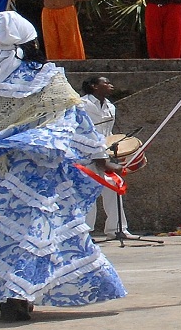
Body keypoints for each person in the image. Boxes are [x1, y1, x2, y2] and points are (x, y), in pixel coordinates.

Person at [0, 12, 127, 321]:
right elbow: (75, 122)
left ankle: (13, 295)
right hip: (34, 175)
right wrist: (104, 161)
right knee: (32, 233)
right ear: (30, 39)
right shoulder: (44, 76)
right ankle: (18, 296)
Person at [80, 77, 123, 239]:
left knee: (114, 188)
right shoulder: (82, 105)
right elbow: (84, 133)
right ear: (94, 86)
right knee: (89, 192)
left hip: (105, 154)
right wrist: (98, 155)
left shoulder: (110, 107)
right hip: (86, 156)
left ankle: (117, 228)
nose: (111, 85)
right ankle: (85, 233)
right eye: (106, 82)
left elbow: (108, 134)